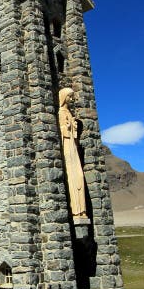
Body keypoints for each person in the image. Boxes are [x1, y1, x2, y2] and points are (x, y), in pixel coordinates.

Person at [58, 88, 88, 219]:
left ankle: (82, 210)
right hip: (68, 150)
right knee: (73, 178)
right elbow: (63, 133)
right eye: (70, 97)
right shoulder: (61, 113)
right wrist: (67, 127)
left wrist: (74, 128)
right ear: (64, 97)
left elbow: (73, 136)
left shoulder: (69, 113)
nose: (72, 99)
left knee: (80, 177)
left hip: (74, 149)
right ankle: (76, 210)